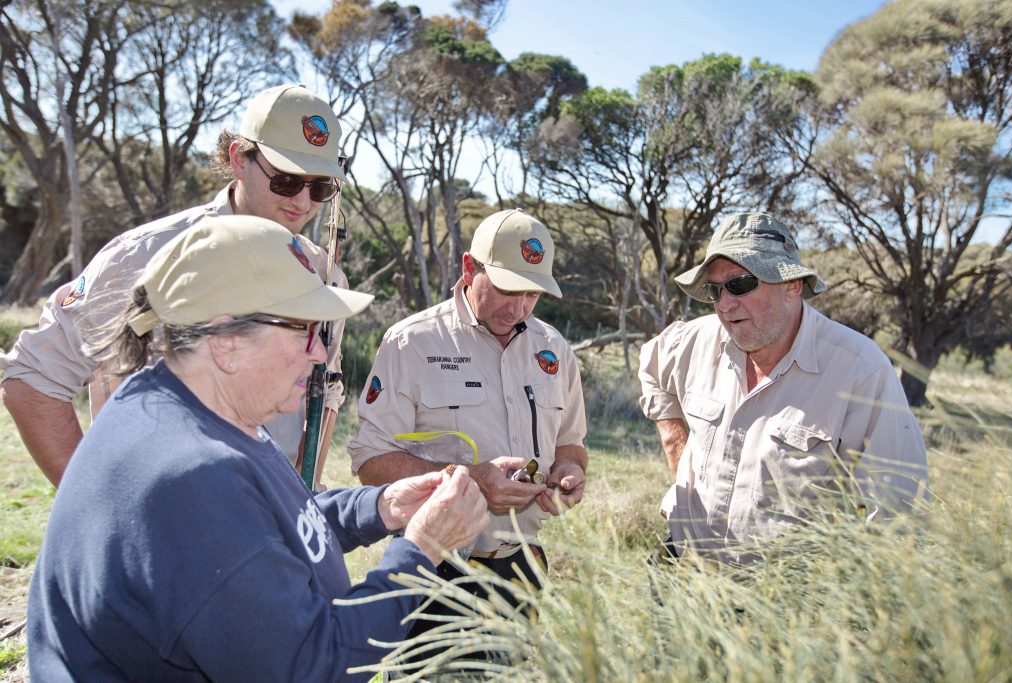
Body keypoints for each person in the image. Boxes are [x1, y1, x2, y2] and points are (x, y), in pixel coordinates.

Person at [27, 215, 489, 682]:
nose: (319, 353)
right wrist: (421, 550)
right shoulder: (190, 477)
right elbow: (313, 668)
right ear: (227, 341)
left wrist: (379, 507)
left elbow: (266, 529)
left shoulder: (192, 410)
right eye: (304, 329)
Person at [1, 83, 349, 488]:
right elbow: (33, 379)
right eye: (286, 180)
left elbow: (327, 393)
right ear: (239, 159)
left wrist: (301, 502)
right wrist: (98, 503)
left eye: (320, 187)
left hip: (267, 515)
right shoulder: (143, 255)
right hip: (160, 513)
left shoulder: (324, 276)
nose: (303, 203)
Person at [638, 212, 929, 564]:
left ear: (792, 285)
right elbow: (652, 365)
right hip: (685, 565)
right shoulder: (696, 340)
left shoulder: (861, 371)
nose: (724, 305)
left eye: (740, 284)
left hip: (786, 591)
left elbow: (896, 516)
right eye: (714, 290)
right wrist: (675, 443)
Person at [348, 208, 588, 632]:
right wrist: (471, 481)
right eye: (506, 289)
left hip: (519, 568)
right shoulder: (411, 342)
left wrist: (569, 472)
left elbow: (571, 445)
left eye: (532, 295)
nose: (518, 308)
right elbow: (371, 462)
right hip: (433, 567)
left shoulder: (553, 347)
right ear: (469, 268)